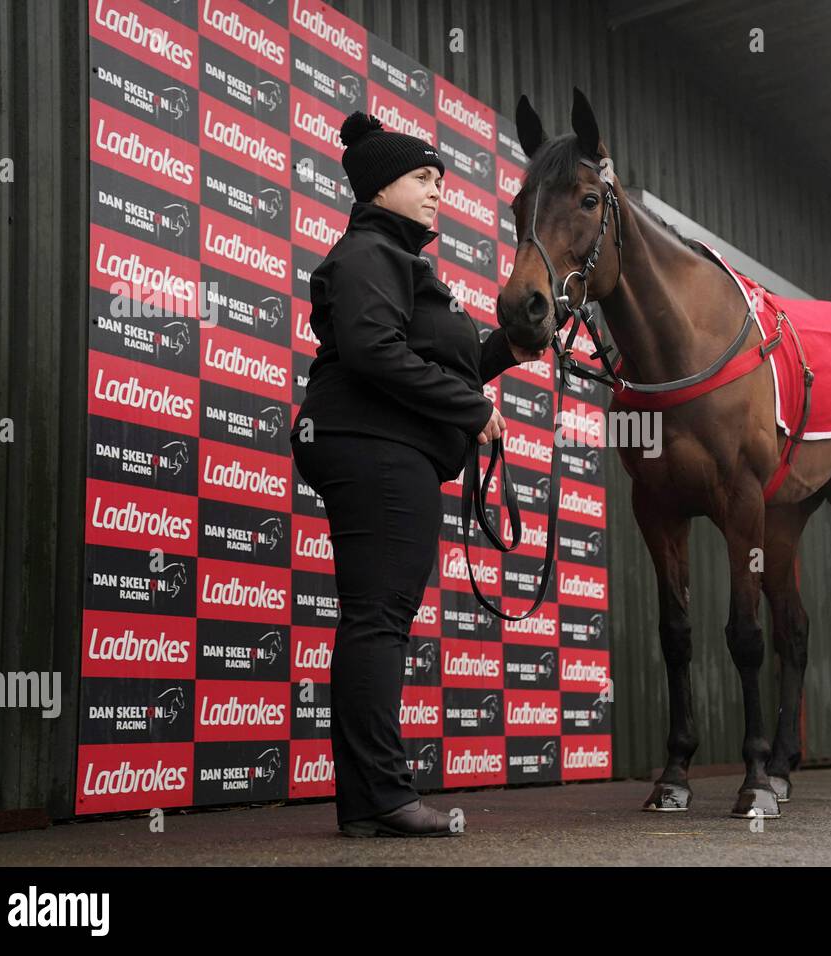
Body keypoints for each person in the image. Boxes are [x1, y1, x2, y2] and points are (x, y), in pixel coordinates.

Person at [291, 111, 543, 838]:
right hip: (370, 443)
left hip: (382, 444)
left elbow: (427, 353)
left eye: (440, 179)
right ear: (380, 188)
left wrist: (506, 353)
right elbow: (371, 350)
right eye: (422, 178)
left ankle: (371, 803)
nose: (438, 192)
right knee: (378, 620)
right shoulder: (370, 251)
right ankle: (384, 795)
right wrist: (470, 407)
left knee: (378, 618)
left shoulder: (398, 259)